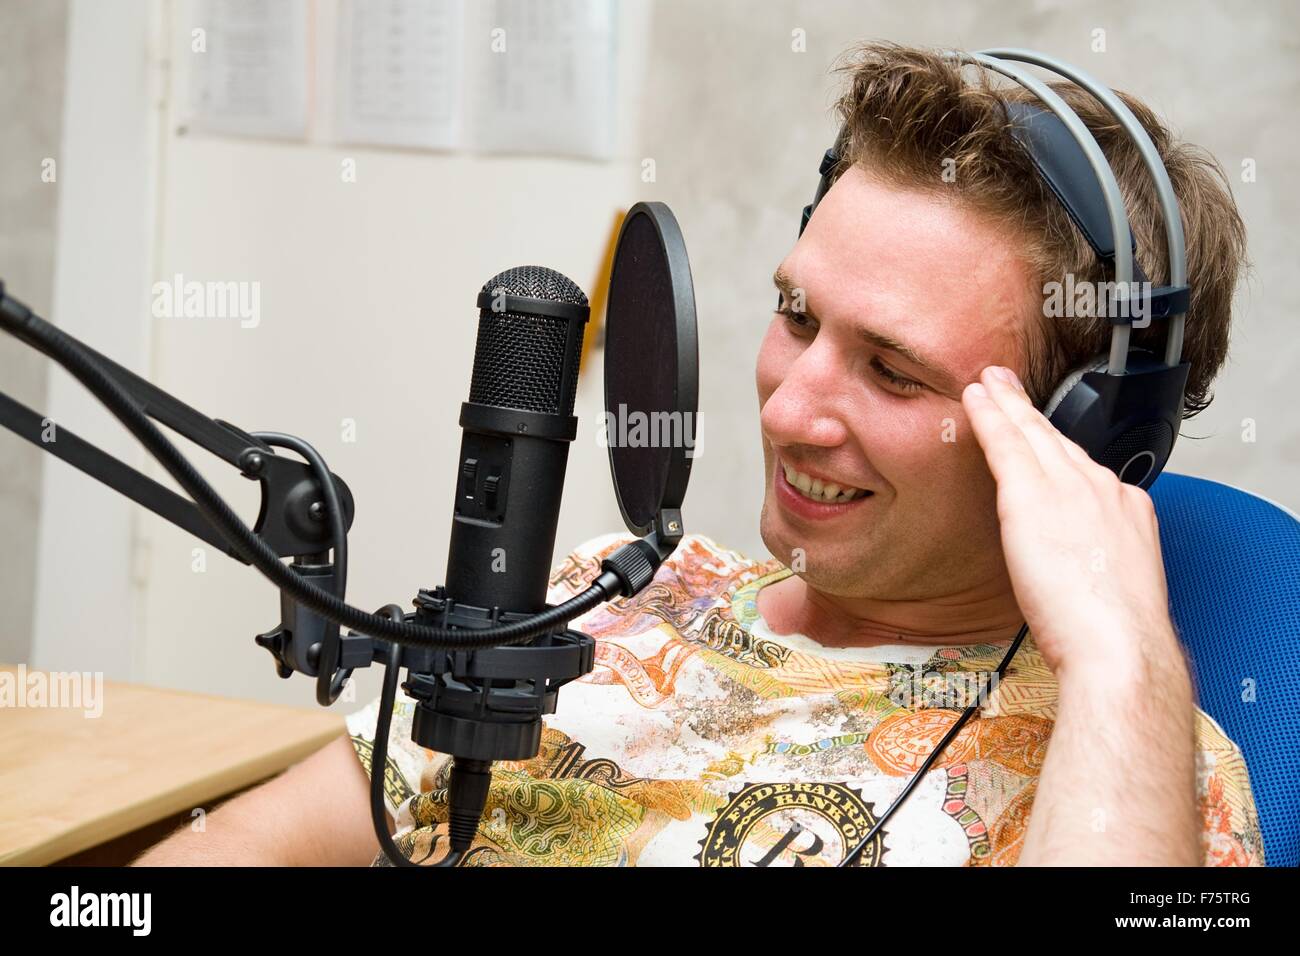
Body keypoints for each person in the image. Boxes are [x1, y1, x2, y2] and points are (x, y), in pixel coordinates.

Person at [135, 42, 1262, 867]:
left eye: (893, 369)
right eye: (799, 316)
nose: (790, 407)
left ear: (1080, 432)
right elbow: (242, 847)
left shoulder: (1142, 765)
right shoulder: (597, 598)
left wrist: (1122, 661)